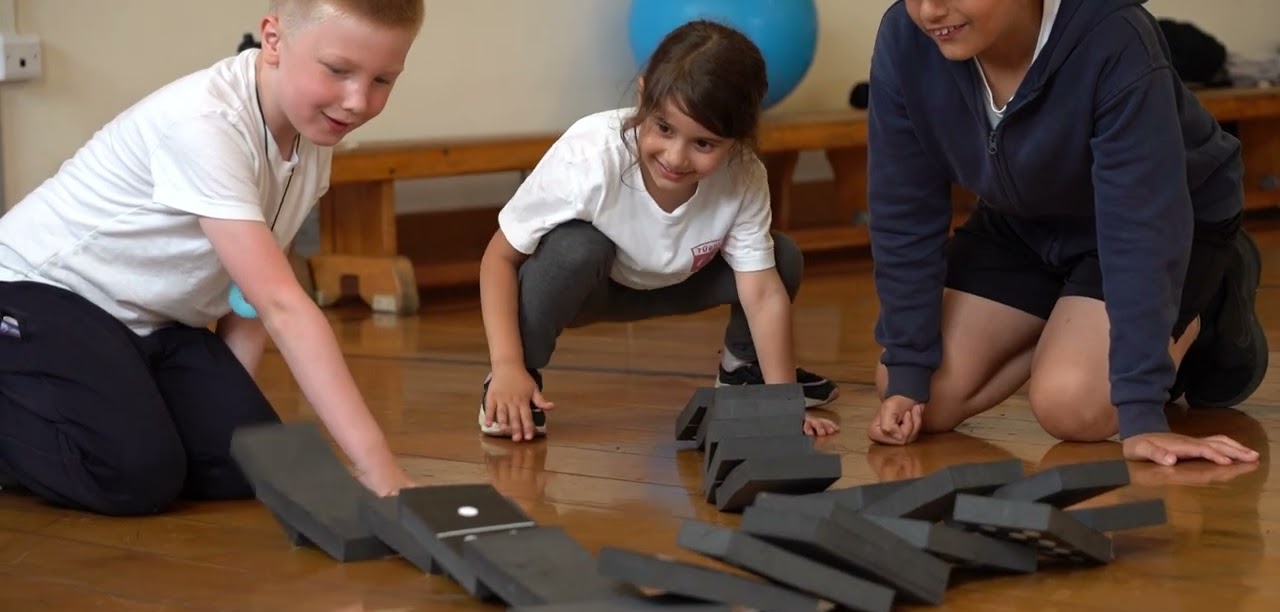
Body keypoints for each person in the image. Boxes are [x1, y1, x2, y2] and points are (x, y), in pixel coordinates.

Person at [0, 0, 425, 516]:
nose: (357, 101)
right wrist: (378, 468)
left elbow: (250, 291)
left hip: (149, 324)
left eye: (382, 80)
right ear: (273, 40)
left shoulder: (311, 135)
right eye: (337, 70)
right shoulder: (206, 123)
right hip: (36, 293)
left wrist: (221, 408)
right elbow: (282, 305)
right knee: (133, 475)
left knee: (241, 462)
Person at [865, 0, 1265, 466]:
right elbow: (904, 211)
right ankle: (1071, 319)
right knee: (915, 393)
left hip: (1162, 221)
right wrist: (908, 364)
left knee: (1073, 408)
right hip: (1024, 222)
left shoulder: (1114, 34)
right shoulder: (905, 38)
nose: (930, 10)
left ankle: (1212, 294)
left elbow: (1139, 224)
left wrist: (1141, 411)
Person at [476, 20, 841, 442]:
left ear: (737, 140)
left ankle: (743, 373)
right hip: (592, 289)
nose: (675, 157)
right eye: (664, 128)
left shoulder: (744, 175)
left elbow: (761, 294)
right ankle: (516, 384)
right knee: (574, 247)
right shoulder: (589, 156)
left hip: (682, 282)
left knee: (780, 256)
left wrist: (782, 404)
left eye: (703, 144)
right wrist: (507, 365)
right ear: (643, 95)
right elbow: (499, 258)